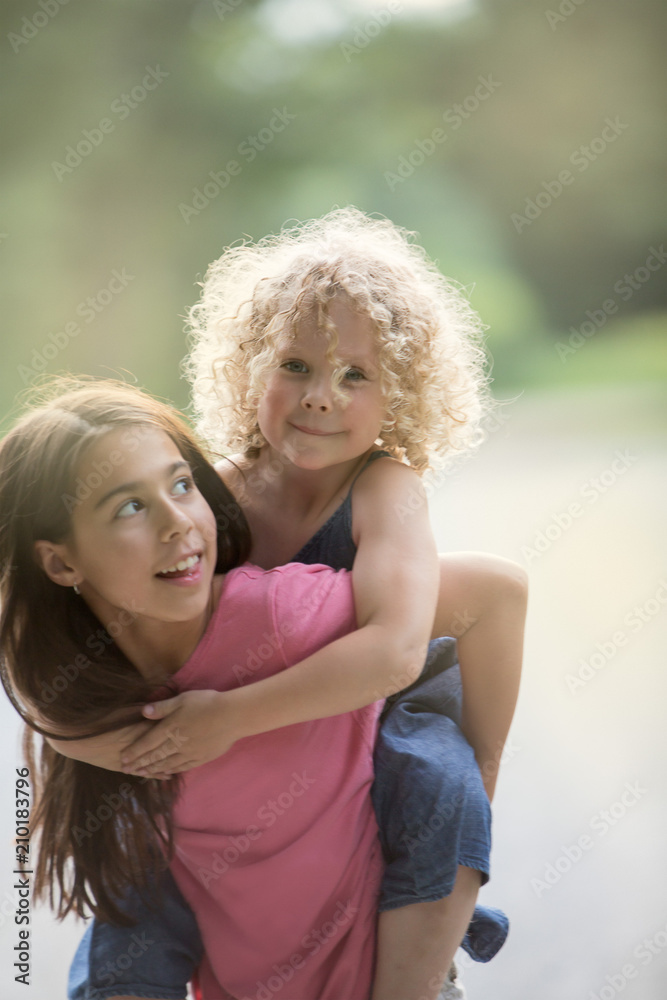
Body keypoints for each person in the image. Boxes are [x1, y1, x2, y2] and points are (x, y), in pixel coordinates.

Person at [67, 210, 526, 999]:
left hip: (369, 716)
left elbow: (396, 653)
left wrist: (484, 770)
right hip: (238, 741)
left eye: (356, 375)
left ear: (402, 395)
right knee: (138, 840)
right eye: (295, 364)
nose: (320, 396)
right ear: (247, 367)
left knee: (439, 780)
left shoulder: (384, 488)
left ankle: (412, 980)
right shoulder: (214, 494)